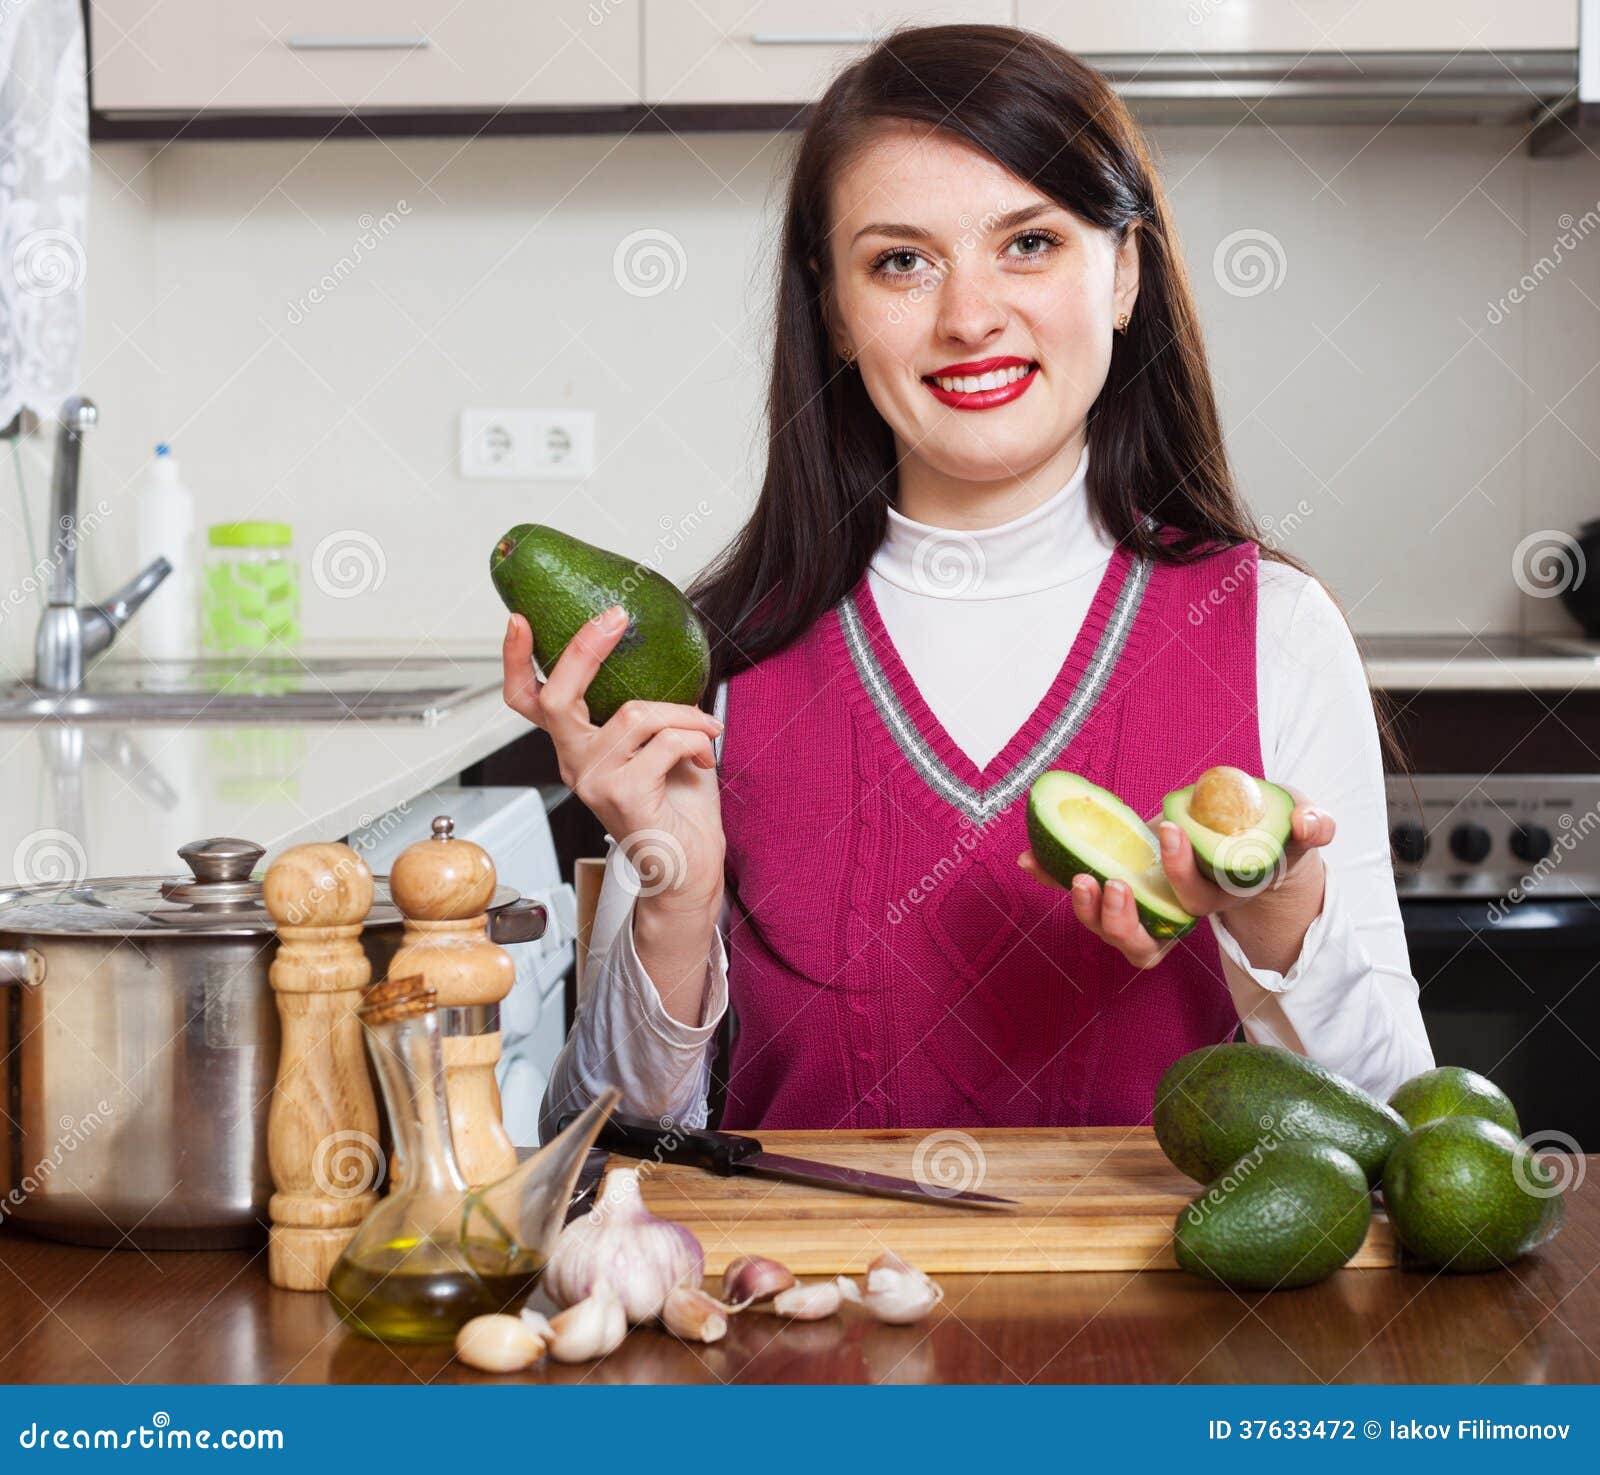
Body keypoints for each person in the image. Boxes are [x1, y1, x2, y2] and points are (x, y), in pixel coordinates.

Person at [503, 25, 1433, 1138]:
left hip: (1194, 1316)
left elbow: (1397, 1128)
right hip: (803, 1311)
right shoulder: (721, 661)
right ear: (836, 307)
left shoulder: (1272, 629)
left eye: (1029, 243)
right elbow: (597, 1160)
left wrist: (1277, 919)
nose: (968, 315)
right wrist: (675, 889)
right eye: (902, 260)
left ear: (1125, 269)